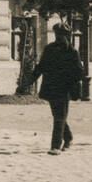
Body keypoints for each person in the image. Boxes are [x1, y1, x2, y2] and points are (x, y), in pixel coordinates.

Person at [32, 22, 85, 155]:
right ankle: (68, 138)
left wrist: (70, 81)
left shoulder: (72, 52)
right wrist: (29, 80)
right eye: (57, 34)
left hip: (64, 89)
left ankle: (55, 146)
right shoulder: (49, 49)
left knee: (59, 117)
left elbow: (79, 72)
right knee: (58, 116)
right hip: (51, 88)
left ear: (67, 35)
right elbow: (41, 66)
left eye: (62, 34)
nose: (59, 37)